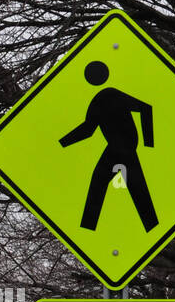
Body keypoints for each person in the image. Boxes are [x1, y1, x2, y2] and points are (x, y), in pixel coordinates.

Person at [59, 60, 158, 232]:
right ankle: (150, 226)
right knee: (132, 186)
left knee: (105, 182)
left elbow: (145, 108)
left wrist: (149, 144)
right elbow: (88, 130)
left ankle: (88, 228)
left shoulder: (108, 95)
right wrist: (62, 143)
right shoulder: (101, 99)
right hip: (118, 147)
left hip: (123, 147)